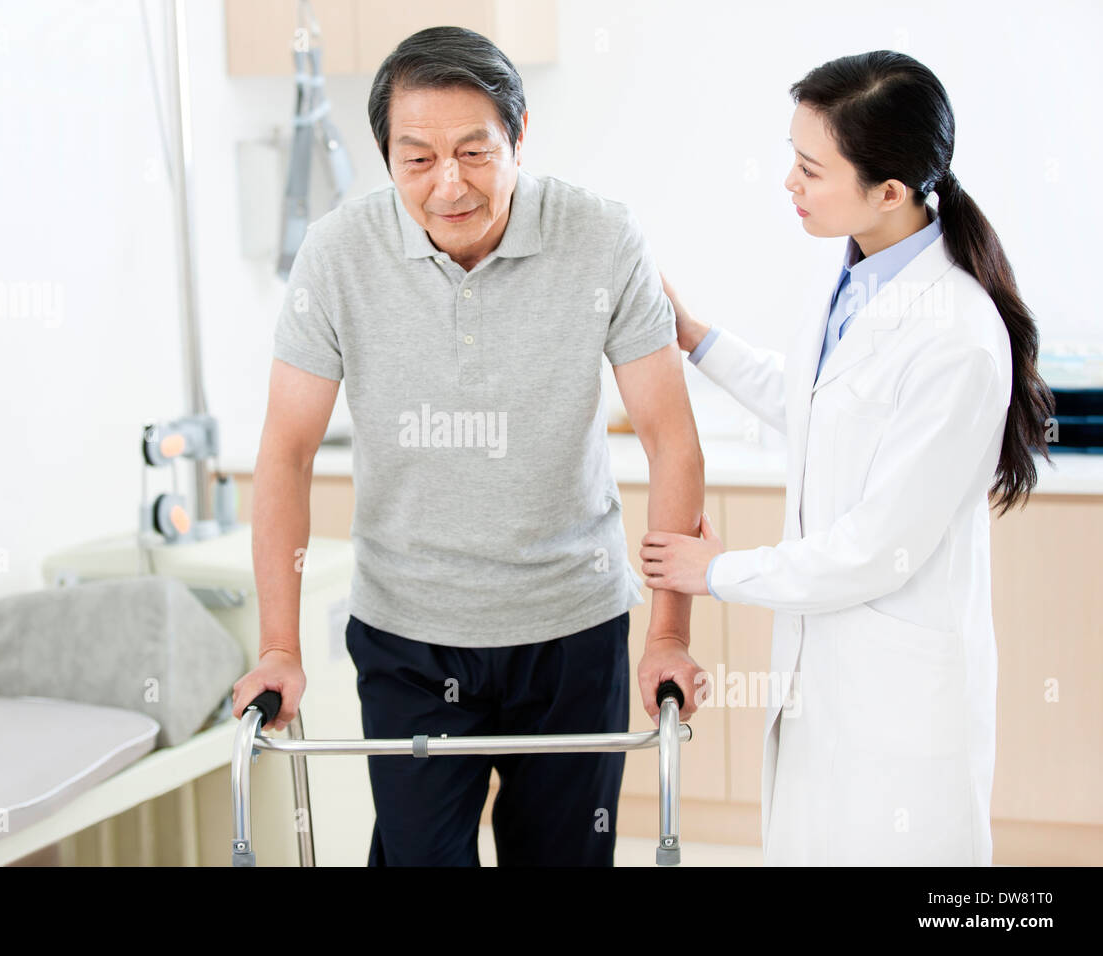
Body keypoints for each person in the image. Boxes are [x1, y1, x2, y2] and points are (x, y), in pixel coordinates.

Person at [231, 26, 709, 866]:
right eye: (416, 159)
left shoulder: (602, 237)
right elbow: (286, 454)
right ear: (385, 158)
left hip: (573, 630)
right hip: (409, 638)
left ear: (520, 135)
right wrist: (279, 647)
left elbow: (673, 440)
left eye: (474, 152)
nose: (448, 184)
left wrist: (667, 632)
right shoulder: (339, 254)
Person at [641, 50, 1054, 866]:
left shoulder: (957, 336)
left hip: (899, 689)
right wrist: (698, 339)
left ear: (890, 191)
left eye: (809, 168)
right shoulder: (860, 277)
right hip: (828, 665)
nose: (788, 183)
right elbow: (817, 402)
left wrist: (717, 572)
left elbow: (876, 548)